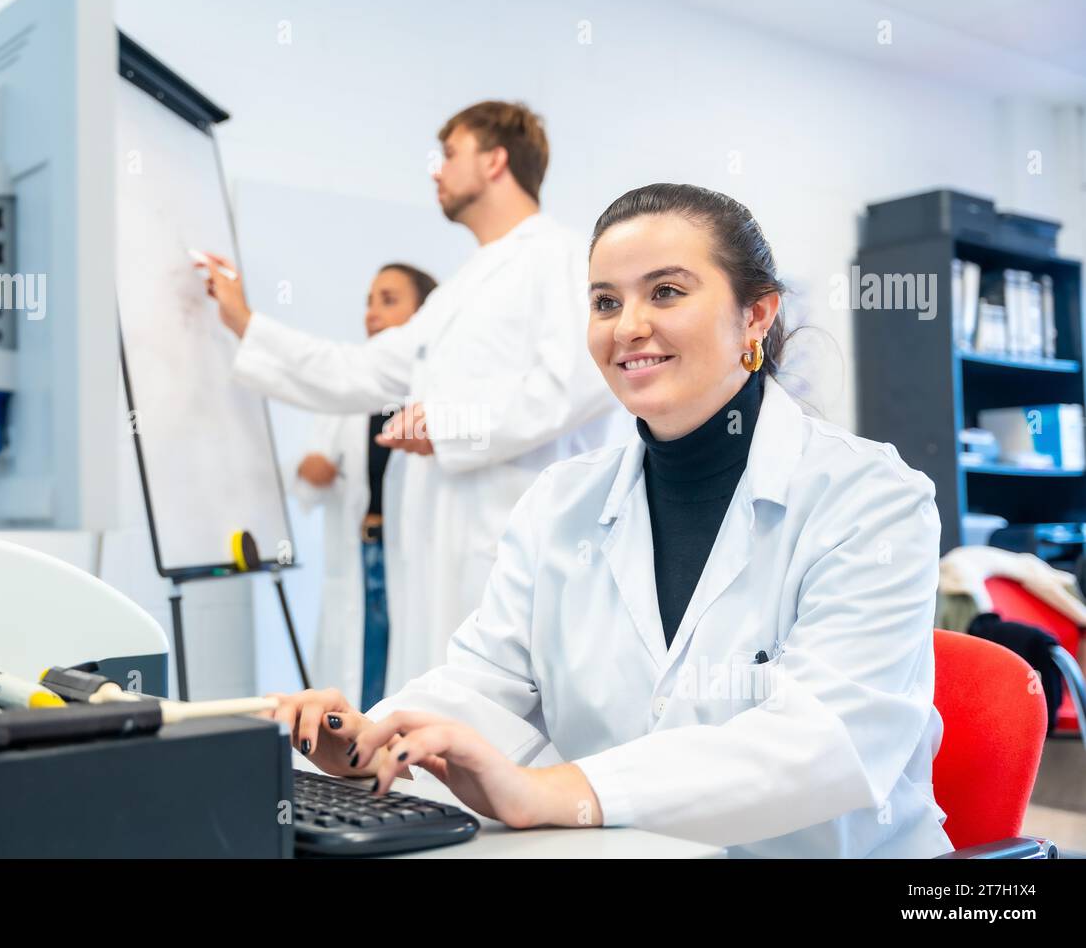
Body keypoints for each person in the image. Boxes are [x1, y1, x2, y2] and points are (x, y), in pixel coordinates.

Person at [257, 183, 954, 858]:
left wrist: (559, 792)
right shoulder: (562, 503)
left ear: (756, 316)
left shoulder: (871, 497)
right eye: (604, 301)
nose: (628, 327)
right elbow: (482, 683)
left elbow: (828, 742)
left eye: (667, 292)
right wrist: (365, 743)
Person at [197, 101, 615, 694]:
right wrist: (245, 323)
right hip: (432, 554)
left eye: (449, 154)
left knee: (501, 736)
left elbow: (578, 384)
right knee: (433, 724)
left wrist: (447, 427)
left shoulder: (564, 257)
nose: (435, 171)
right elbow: (360, 370)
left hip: (508, 547)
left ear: (496, 160)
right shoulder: (459, 289)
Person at [291, 263, 438, 711]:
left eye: (388, 300)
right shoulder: (350, 393)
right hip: (362, 555)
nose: (372, 312)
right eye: (369, 301)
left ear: (424, 315)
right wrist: (310, 470)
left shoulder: (437, 392)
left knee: (411, 673)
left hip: (415, 555)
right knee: (363, 675)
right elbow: (313, 470)